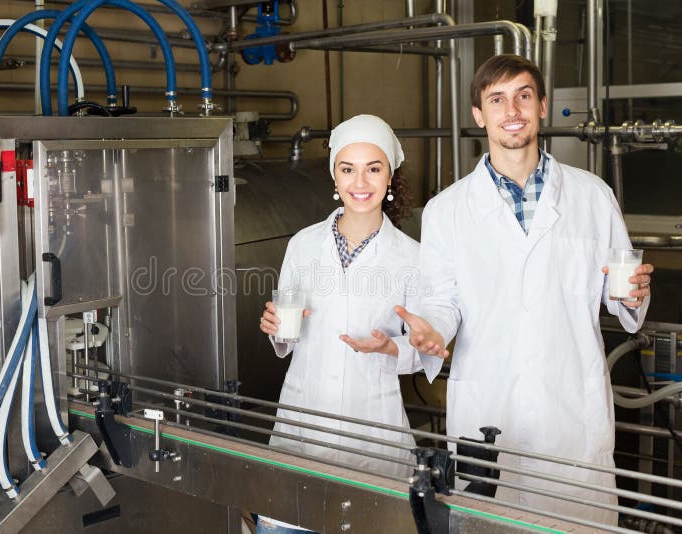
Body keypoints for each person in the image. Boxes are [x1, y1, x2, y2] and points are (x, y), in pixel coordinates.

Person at [395, 54, 653, 525]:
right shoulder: (446, 210)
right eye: (497, 99)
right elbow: (440, 299)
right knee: (488, 523)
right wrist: (430, 330)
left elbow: (619, 291)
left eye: (523, 96)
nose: (511, 109)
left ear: (542, 108)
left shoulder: (592, 196)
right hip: (489, 409)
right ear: (479, 116)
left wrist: (632, 294)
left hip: (570, 411)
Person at [259, 114, 422, 483]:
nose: (360, 182)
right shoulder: (302, 245)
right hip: (303, 419)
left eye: (373, 169)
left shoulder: (411, 258)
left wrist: (391, 348)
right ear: (335, 176)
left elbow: (427, 345)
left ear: (389, 177)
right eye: (348, 169)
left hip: (374, 431)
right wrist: (276, 329)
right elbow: (287, 336)